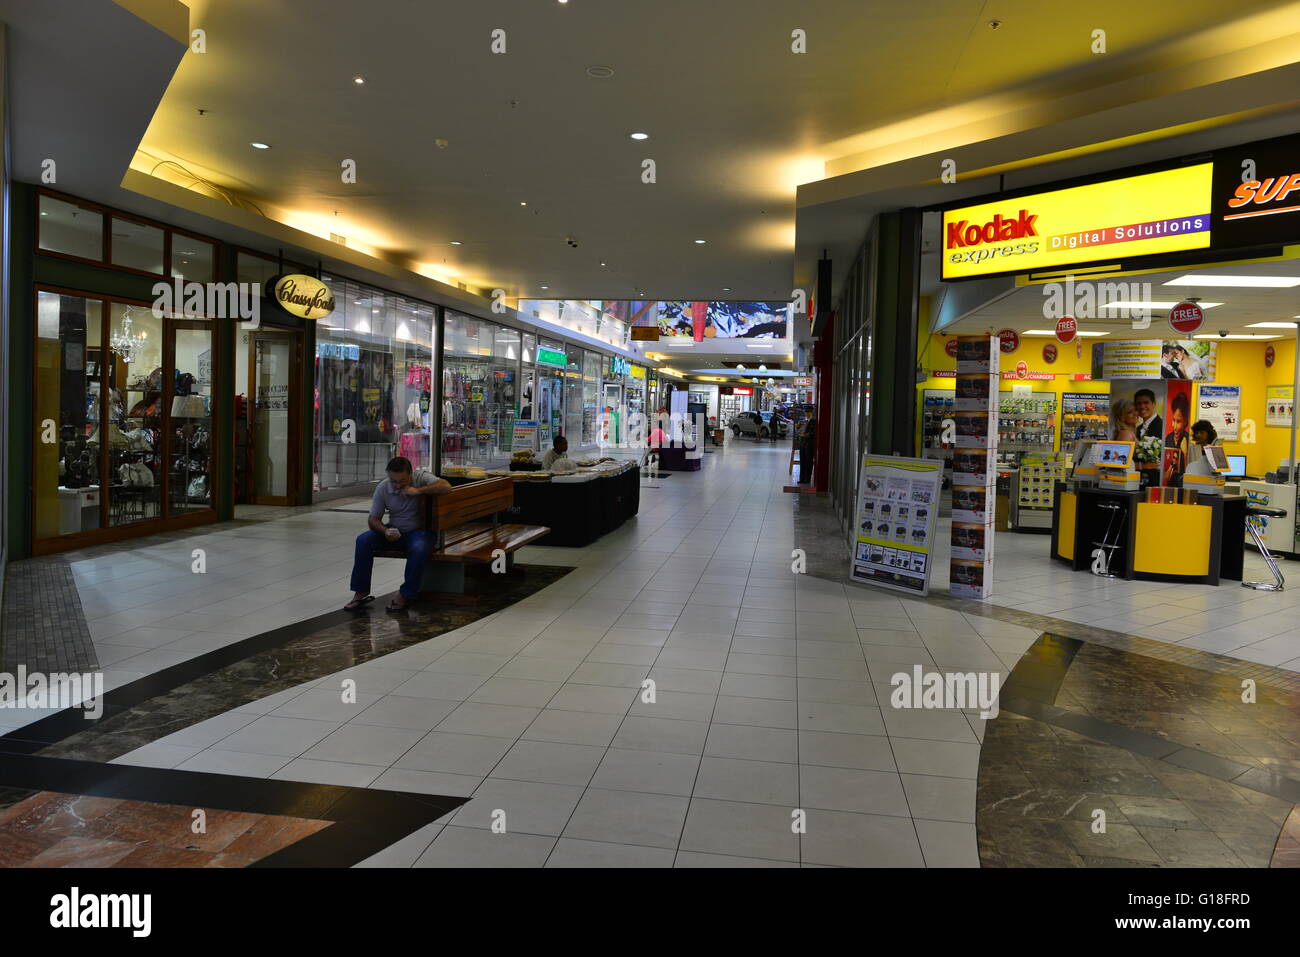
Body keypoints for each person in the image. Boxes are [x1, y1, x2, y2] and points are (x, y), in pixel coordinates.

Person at [347, 456, 451, 613]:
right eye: (393, 481)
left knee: (419, 548)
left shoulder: (420, 478)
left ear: (411, 474)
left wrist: (417, 491)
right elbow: (373, 519)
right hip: (395, 530)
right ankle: (361, 590)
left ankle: (406, 593)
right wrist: (385, 531)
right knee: (363, 541)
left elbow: (446, 487)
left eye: (402, 481)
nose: (397, 485)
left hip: (421, 532)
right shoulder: (383, 487)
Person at [1163, 392, 1191, 485]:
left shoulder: (1189, 439)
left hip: (1183, 485)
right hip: (1169, 485)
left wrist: (1186, 453)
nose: (1174, 426)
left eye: (1178, 421)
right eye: (1173, 420)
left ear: (1185, 422)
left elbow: (1190, 474)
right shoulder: (1168, 438)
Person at [798, 414, 816, 484]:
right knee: (802, 462)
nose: (806, 414)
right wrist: (798, 427)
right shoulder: (803, 421)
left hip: (809, 444)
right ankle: (802, 478)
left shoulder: (813, 422)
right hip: (802, 443)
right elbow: (799, 430)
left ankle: (807, 479)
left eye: (808, 412)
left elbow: (814, 433)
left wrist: (808, 434)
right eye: (805, 412)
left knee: (808, 462)